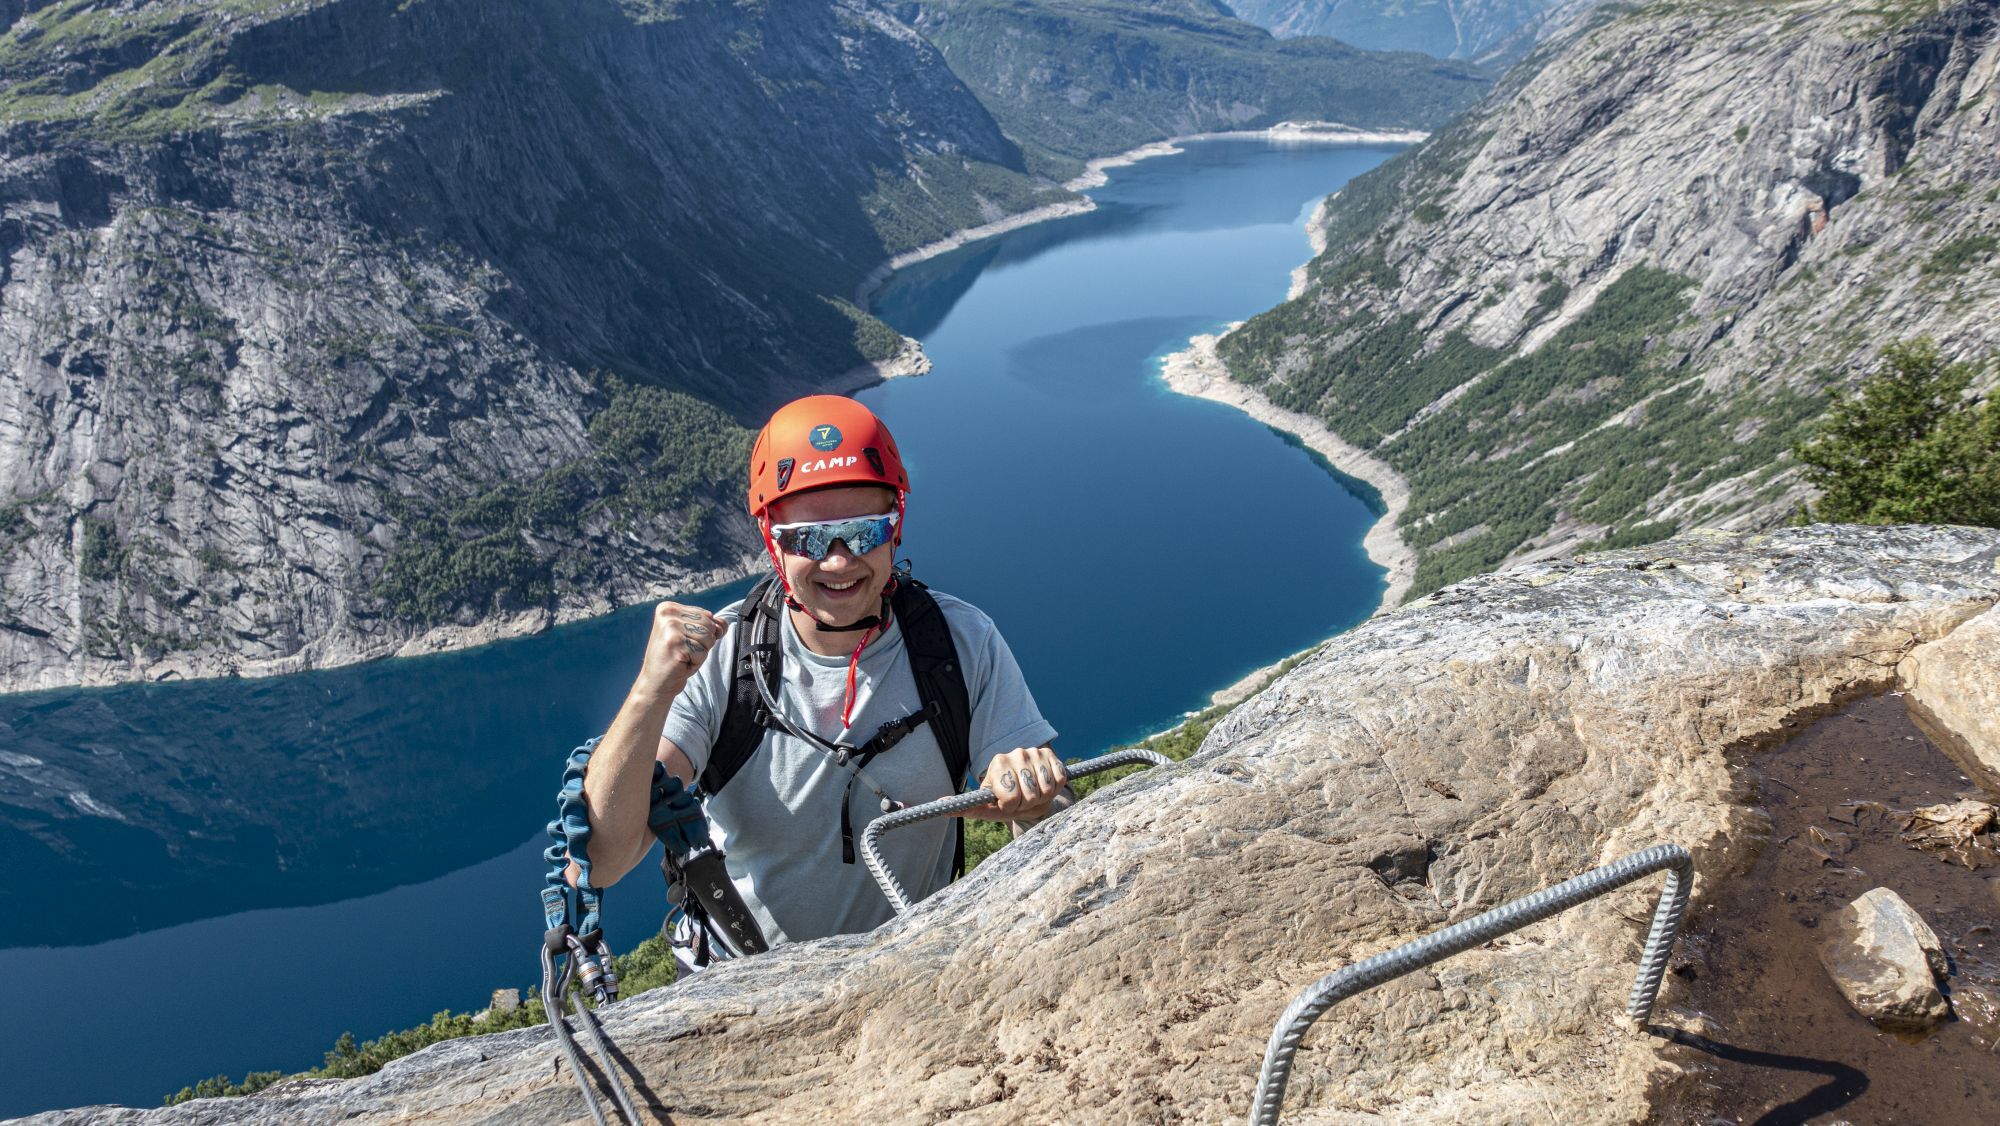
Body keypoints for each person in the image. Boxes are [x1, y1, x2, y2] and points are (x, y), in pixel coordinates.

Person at [577, 395, 1063, 956]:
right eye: (807, 538)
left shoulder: (959, 643)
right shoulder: (723, 659)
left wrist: (1033, 802)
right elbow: (603, 863)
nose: (838, 561)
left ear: (895, 526)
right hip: (738, 983)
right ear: (770, 541)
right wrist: (650, 691)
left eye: (863, 533)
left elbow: (1052, 836)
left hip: (908, 972)